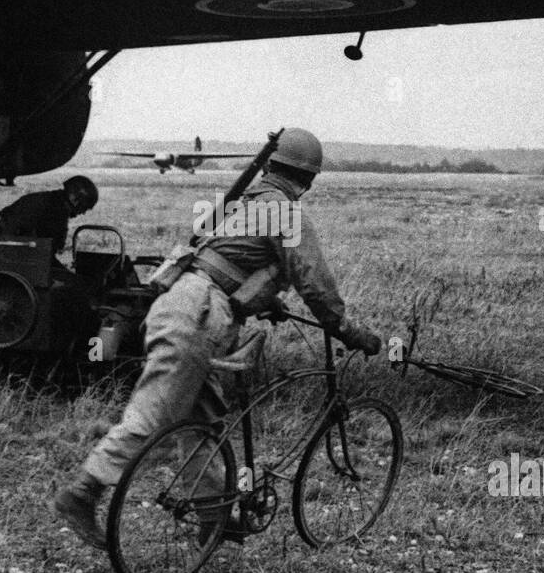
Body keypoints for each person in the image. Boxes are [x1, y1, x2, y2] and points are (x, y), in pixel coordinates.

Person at [53, 128, 381, 548]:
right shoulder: (285, 212)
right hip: (198, 314)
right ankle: (83, 491)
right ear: (309, 178)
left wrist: (266, 300)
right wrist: (351, 332)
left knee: (203, 420)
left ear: (269, 166)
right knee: (156, 414)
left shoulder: (244, 204)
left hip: (189, 305)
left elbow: (230, 262)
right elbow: (315, 284)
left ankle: (213, 519)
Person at [0, 175, 98, 252]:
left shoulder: (51, 200)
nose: (83, 213)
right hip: (0, 247)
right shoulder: (58, 211)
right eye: (84, 208)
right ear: (76, 200)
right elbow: (50, 251)